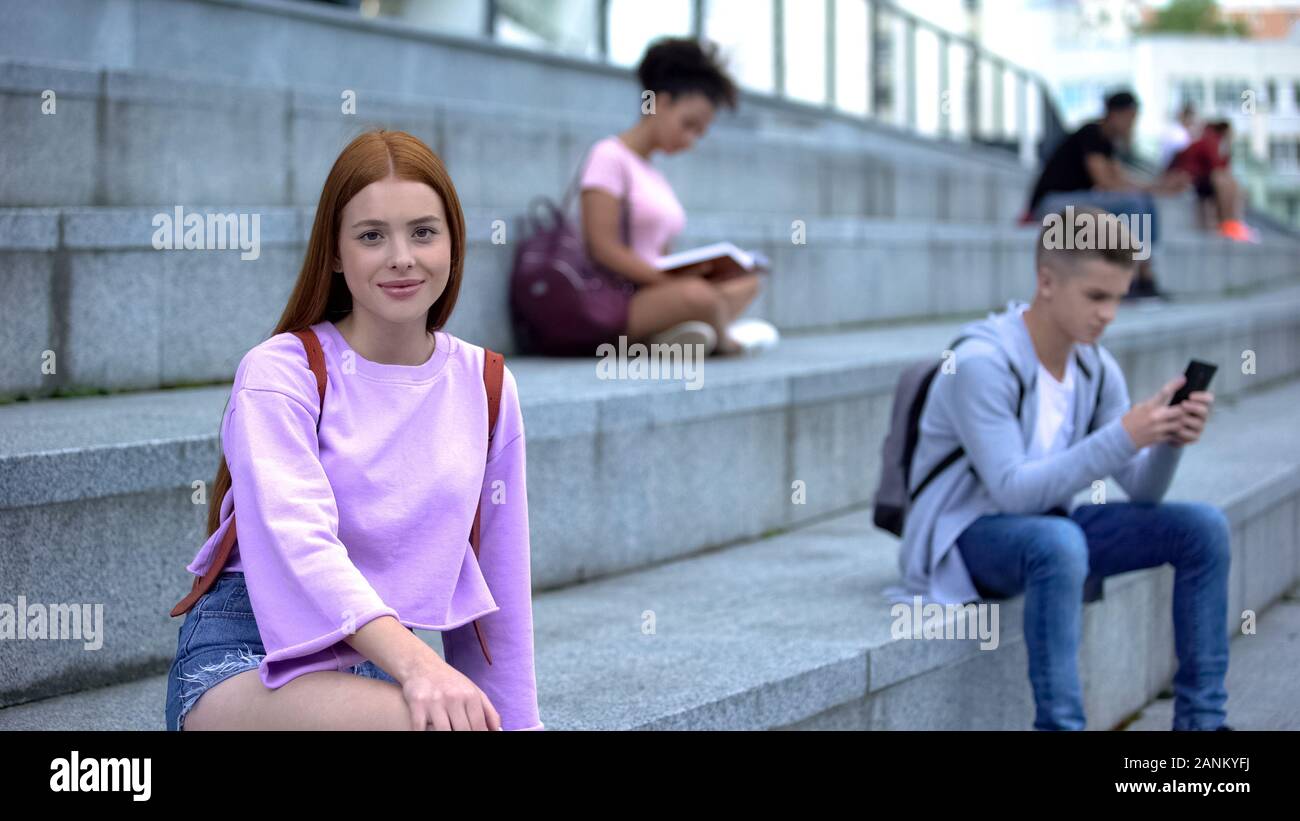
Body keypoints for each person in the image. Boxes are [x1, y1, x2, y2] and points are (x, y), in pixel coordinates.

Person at [164, 129, 543, 731]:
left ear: (453, 242)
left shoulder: (486, 384)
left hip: (385, 672)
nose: (402, 256)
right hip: (251, 660)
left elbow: (500, 593)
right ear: (336, 253)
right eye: (372, 236)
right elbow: (298, 541)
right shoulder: (280, 371)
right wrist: (421, 668)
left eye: (424, 231)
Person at [892, 205, 1231, 731]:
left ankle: (1203, 728)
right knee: (1059, 541)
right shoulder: (983, 363)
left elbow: (1143, 490)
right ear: (1046, 281)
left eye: (1118, 297)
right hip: (962, 535)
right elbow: (1010, 493)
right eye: (1097, 296)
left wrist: (1167, 438)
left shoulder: (1094, 366)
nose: (1109, 314)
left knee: (1203, 528)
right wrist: (1123, 435)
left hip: (1048, 531)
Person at [579, 36, 779, 356]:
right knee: (699, 297)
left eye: (699, 132)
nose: (690, 140)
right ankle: (722, 339)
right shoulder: (608, 156)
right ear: (661, 101)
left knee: (748, 283)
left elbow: (660, 252)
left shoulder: (653, 173)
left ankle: (680, 333)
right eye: (688, 125)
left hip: (654, 289)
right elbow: (601, 247)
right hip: (618, 297)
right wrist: (665, 281)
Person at [1026, 90, 1185, 301]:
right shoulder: (1092, 133)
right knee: (1134, 204)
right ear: (1116, 114)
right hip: (1052, 204)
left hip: (1071, 201)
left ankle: (1145, 274)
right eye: (1130, 119)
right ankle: (1131, 277)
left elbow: (1122, 182)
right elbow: (1106, 182)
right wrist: (1153, 188)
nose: (1131, 125)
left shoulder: (1107, 142)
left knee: (1143, 201)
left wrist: (1159, 188)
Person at [1169, 120, 1258, 243]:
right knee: (1222, 178)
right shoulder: (1209, 142)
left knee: (1229, 181)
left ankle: (1233, 223)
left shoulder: (1213, 143)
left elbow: (1221, 167)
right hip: (1191, 180)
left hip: (1199, 180)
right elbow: (1216, 166)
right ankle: (1228, 223)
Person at [1158, 102, 1198, 169]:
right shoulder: (1179, 135)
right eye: (1191, 117)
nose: (1193, 121)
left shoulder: (1175, 130)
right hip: (1174, 171)